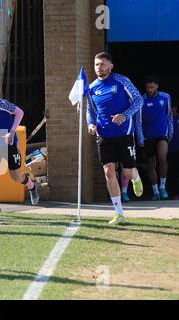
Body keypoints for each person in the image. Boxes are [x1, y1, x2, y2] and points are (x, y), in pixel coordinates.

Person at [87, 52, 144, 225]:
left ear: (111, 66)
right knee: (108, 172)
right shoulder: (91, 88)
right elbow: (90, 110)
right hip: (103, 135)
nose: (99, 68)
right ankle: (119, 213)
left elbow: (138, 101)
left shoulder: (122, 81)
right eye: (97, 64)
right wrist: (90, 124)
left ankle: (136, 176)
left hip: (124, 134)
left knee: (126, 172)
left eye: (103, 64)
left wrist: (125, 115)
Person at [135, 76, 173, 200]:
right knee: (151, 163)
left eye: (152, 87)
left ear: (157, 86)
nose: (149, 90)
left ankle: (163, 187)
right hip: (148, 137)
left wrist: (170, 133)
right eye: (147, 87)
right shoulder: (141, 99)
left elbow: (169, 116)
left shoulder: (165, 97)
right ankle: (155, 191)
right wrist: (140, 138)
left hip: (162, 134)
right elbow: (138, 121)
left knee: (162, 157)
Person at [167, 105, 179, 199]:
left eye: (172, 107)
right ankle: (174, 194)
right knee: (172, 173)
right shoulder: (166, 119)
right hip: (170, 151)